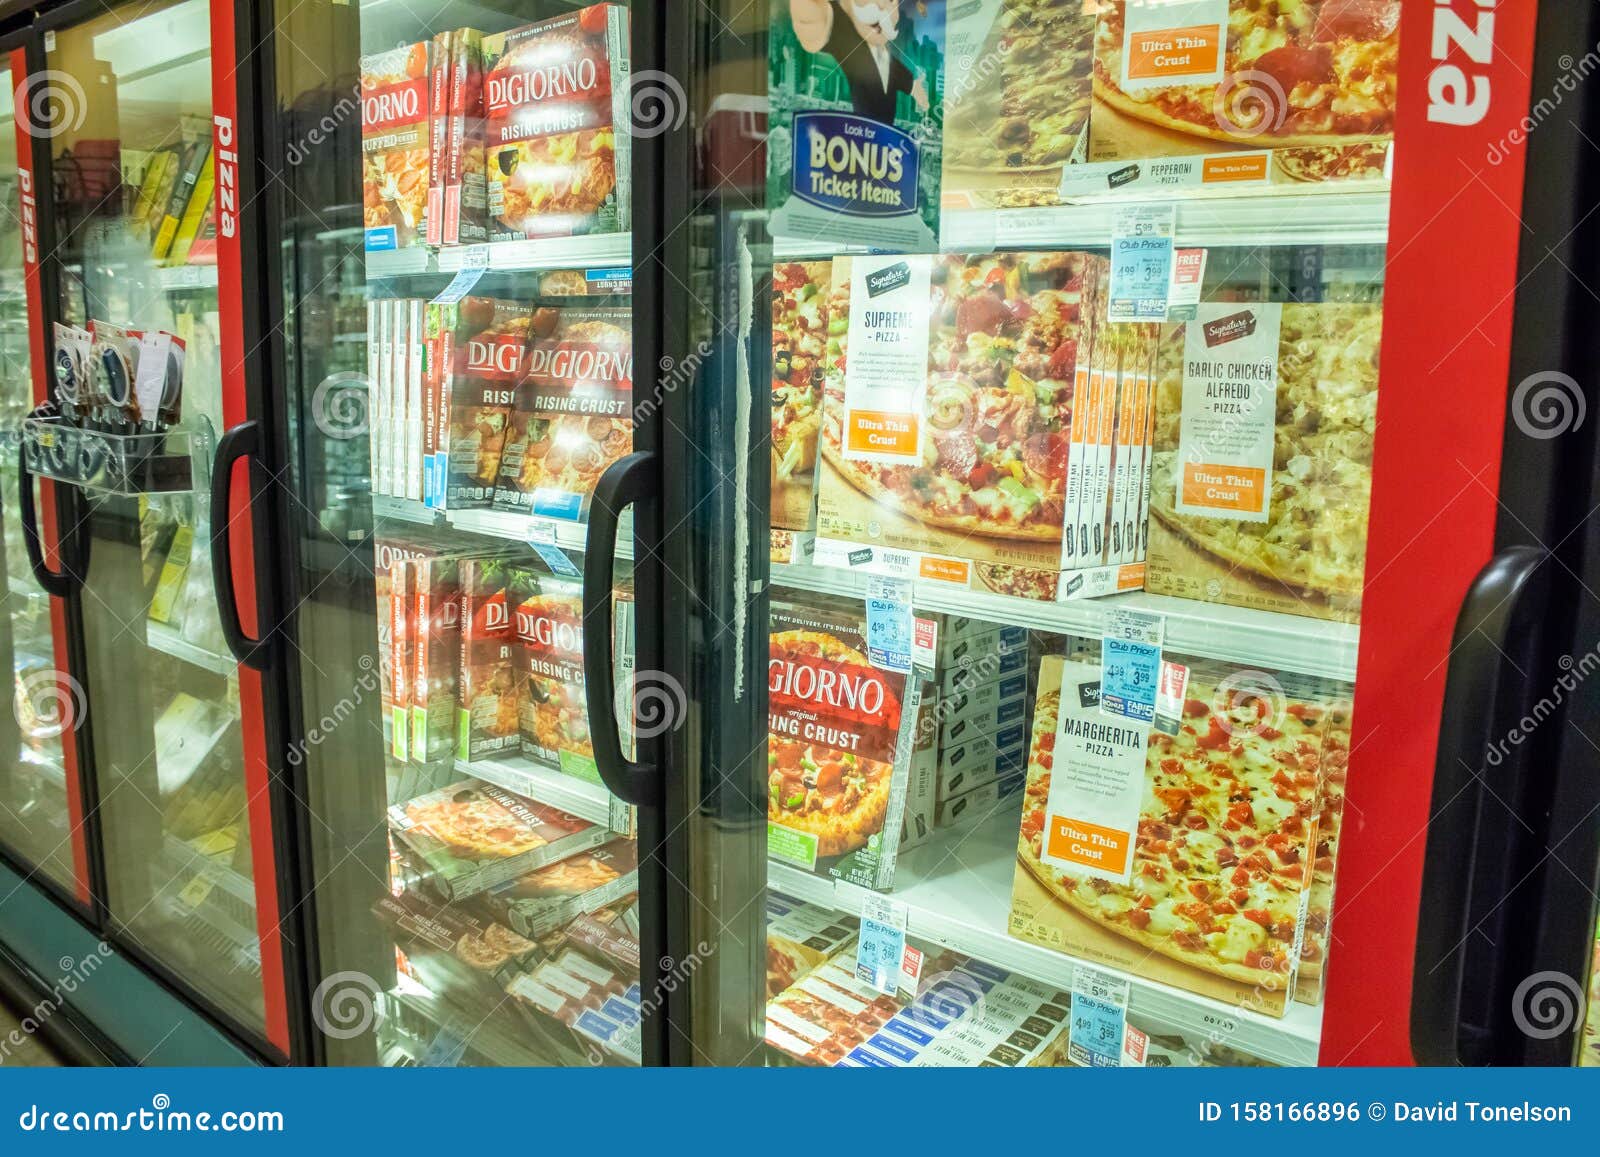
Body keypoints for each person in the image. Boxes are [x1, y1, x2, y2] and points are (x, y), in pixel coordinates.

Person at [790, 0, 930, 126]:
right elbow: (816, 21)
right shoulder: (842, 27)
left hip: (884, 140)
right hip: (858, 137)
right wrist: (813, 16)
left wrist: (913, 85)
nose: (881, 5)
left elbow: (892, 68)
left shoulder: (882, 49)